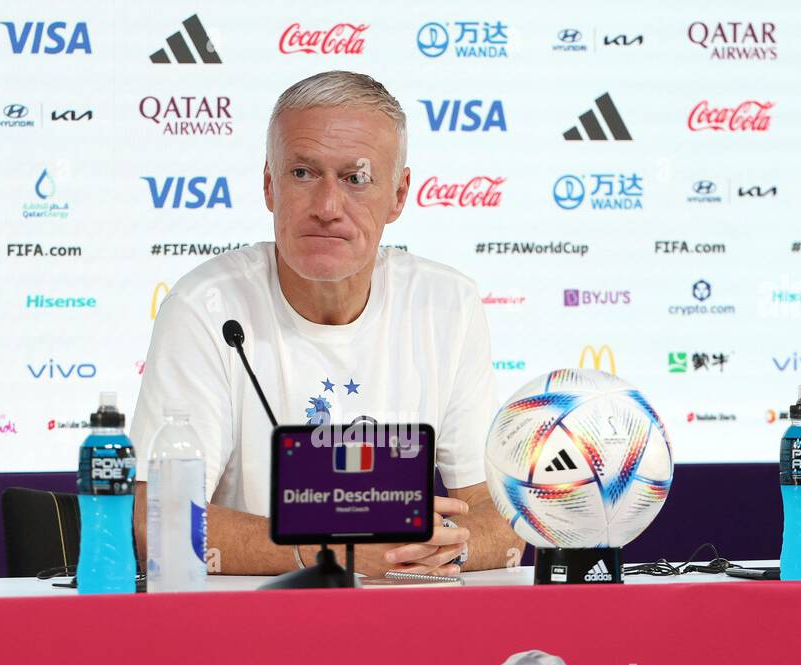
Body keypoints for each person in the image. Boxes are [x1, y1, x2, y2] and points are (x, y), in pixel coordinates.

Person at [130, 70, 520, 577]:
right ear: (269, 185)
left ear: (399, 195)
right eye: (303, 174)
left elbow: (503, 517)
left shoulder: (447, 304)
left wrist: (431, 552)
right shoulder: (205, 306)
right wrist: (335, 556)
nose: (328, 208)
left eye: (356, 178)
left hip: (402, 620)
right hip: (252, 625)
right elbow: (159, 522)